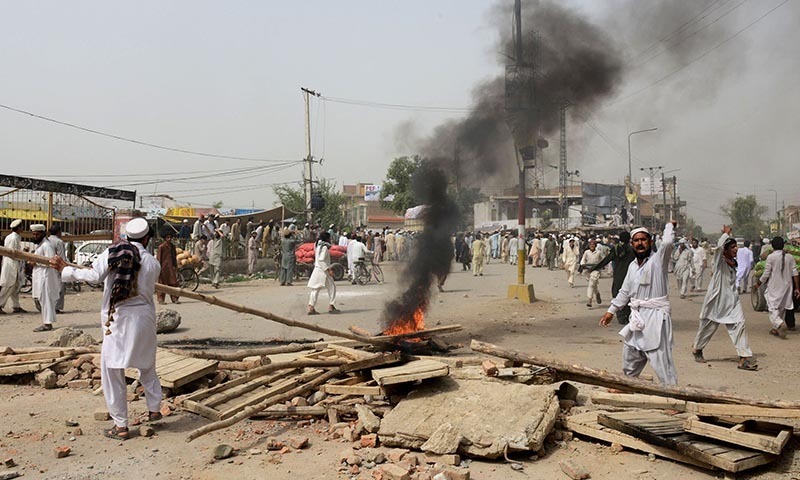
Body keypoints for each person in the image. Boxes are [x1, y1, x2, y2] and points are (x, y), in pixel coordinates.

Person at [52, 217, 162, 441]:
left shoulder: (114, 254)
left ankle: (121, 425)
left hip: (119, 319)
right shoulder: (152, 262)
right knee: (147, 365)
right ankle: (154, 409)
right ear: (147, 238)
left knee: (112, 370)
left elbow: (93, 276)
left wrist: (67, 269)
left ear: (125, 236)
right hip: (144, 318)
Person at [599, 222, 678, 386]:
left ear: (650, 242)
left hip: (656, 317)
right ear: (632, 244)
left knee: (660, 358)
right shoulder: (632, 266)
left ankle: (673, 395)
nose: (640, 243)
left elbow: (668, 243)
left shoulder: (658, 261)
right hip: (637, 316)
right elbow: (625, 292)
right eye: (636, 240)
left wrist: (669, 226)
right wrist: (611, 311)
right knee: (630, 352)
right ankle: (627, 384)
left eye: (643, 240)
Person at [692, 226, 757, 370]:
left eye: (736, 247)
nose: (735, 249)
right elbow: (719, 247)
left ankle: (744, 358)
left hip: (731, 302)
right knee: (708, 327)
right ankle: (697, 348)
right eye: (732, 247)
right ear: (725, 250)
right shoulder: (719, 262)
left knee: (739, 325)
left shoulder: (733, 263)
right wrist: (726, 234)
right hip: (716, 301)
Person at [755, 236, 800, 339]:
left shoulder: (771, 257)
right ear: (783, 245)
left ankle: (779, 323)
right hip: (788, 285)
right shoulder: (790, 257)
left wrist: (759, 283)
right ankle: (775, 329)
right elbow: (795, 273)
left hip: (775, 285)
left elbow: (766, 273)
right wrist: (797, 288)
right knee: (782, 307)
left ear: (772, 246)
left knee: (772, 306)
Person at [592, 231, 635, 325]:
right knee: (630, 296)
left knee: (617, 294)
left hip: (618, 276)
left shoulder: (616, 249)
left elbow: (606, 260)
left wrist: (594, 268)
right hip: (631, 276)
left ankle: (621, 317)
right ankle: (628, 316)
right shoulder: (633, 250)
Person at [30, 225, 59, 332]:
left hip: (46, 277)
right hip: (40, 276)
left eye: (37, 234)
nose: (35, 236)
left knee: (46, 300)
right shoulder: (40, 245)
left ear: (43, 234)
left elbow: (50, 261)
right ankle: (47, 321)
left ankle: (47, 324)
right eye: (34, 234)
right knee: (43, 300)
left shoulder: (47, 245)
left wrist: (35, 262)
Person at [307, 232, 339, 315]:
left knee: (315, 289)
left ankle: (311, 307)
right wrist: (328, 270)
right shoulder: (324, 247)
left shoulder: (318, 246)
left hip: (317, 269)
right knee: (332, 287)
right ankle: (331, 306)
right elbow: (321, 260)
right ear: (327, 239)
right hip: (323, 271)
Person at [0, 219, 26, 314]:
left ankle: (16, 306)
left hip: (14, 264)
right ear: (18, 228)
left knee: (15, 287)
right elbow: (12, 252)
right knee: (8, 286)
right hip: (11, 264)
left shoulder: (14, 237)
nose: (23, 228)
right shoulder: (14, 238)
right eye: (22, 227)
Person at [156, 230, 180, 305]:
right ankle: (161, 299)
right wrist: (158, 268)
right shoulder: (161, 247)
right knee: (162, 284)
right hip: (163, 268)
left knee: (173, 283)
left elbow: (174, 257)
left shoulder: (173, 246)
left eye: (170, 237)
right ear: (165, 238)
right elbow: (159, 258)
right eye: (168, 237)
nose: (169, 239)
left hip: (170, 268)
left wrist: (175, 266)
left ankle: (174, 298)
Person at [48, 225, 67, 314]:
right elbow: (61, 256)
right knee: (60, 287)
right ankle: (57, 307)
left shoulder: (47, 240)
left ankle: (50, 305)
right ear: (58, 232)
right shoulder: (59, 242)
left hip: (48, 266)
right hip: (57, 266)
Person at [581, 239, 604, 307]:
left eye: (593, 245)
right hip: (588, 270)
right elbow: (583, 260)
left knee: (591, 284)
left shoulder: (598, 252)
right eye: (591, 245)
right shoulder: (586, 252)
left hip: (596, 270)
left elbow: (603, 260)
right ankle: (597, 294)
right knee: (594, 285)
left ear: (595, 245)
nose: (592, 246)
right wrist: (582, 265)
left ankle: (589, 300)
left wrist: (601, 266)